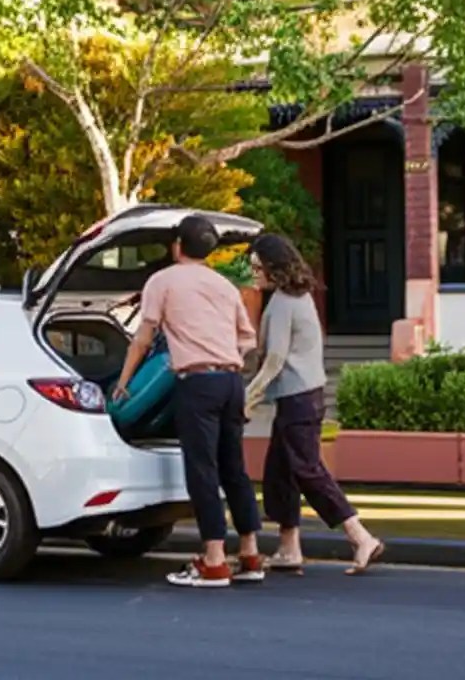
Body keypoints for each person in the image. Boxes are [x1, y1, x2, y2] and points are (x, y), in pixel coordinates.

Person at [113, 214, 265, 589]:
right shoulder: (225, 286)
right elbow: (247, 340)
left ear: (177, 246)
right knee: (234, 468)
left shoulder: (161, 281)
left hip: (197, 383)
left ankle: (213, 561)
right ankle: (250, 554)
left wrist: (124, 382)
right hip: (231, 381)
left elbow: (143, 338)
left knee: (202, 470)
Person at [243, 233, 385, 576]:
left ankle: (360, 535)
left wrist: (249, 397)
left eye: (258, 267)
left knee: (307, 470)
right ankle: (289, 547)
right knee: (281, 473)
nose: (253, 274)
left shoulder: (281, 303)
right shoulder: (300, 296)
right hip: (306, 396)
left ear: (274, 267)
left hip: (297, 398)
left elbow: (275, 359)